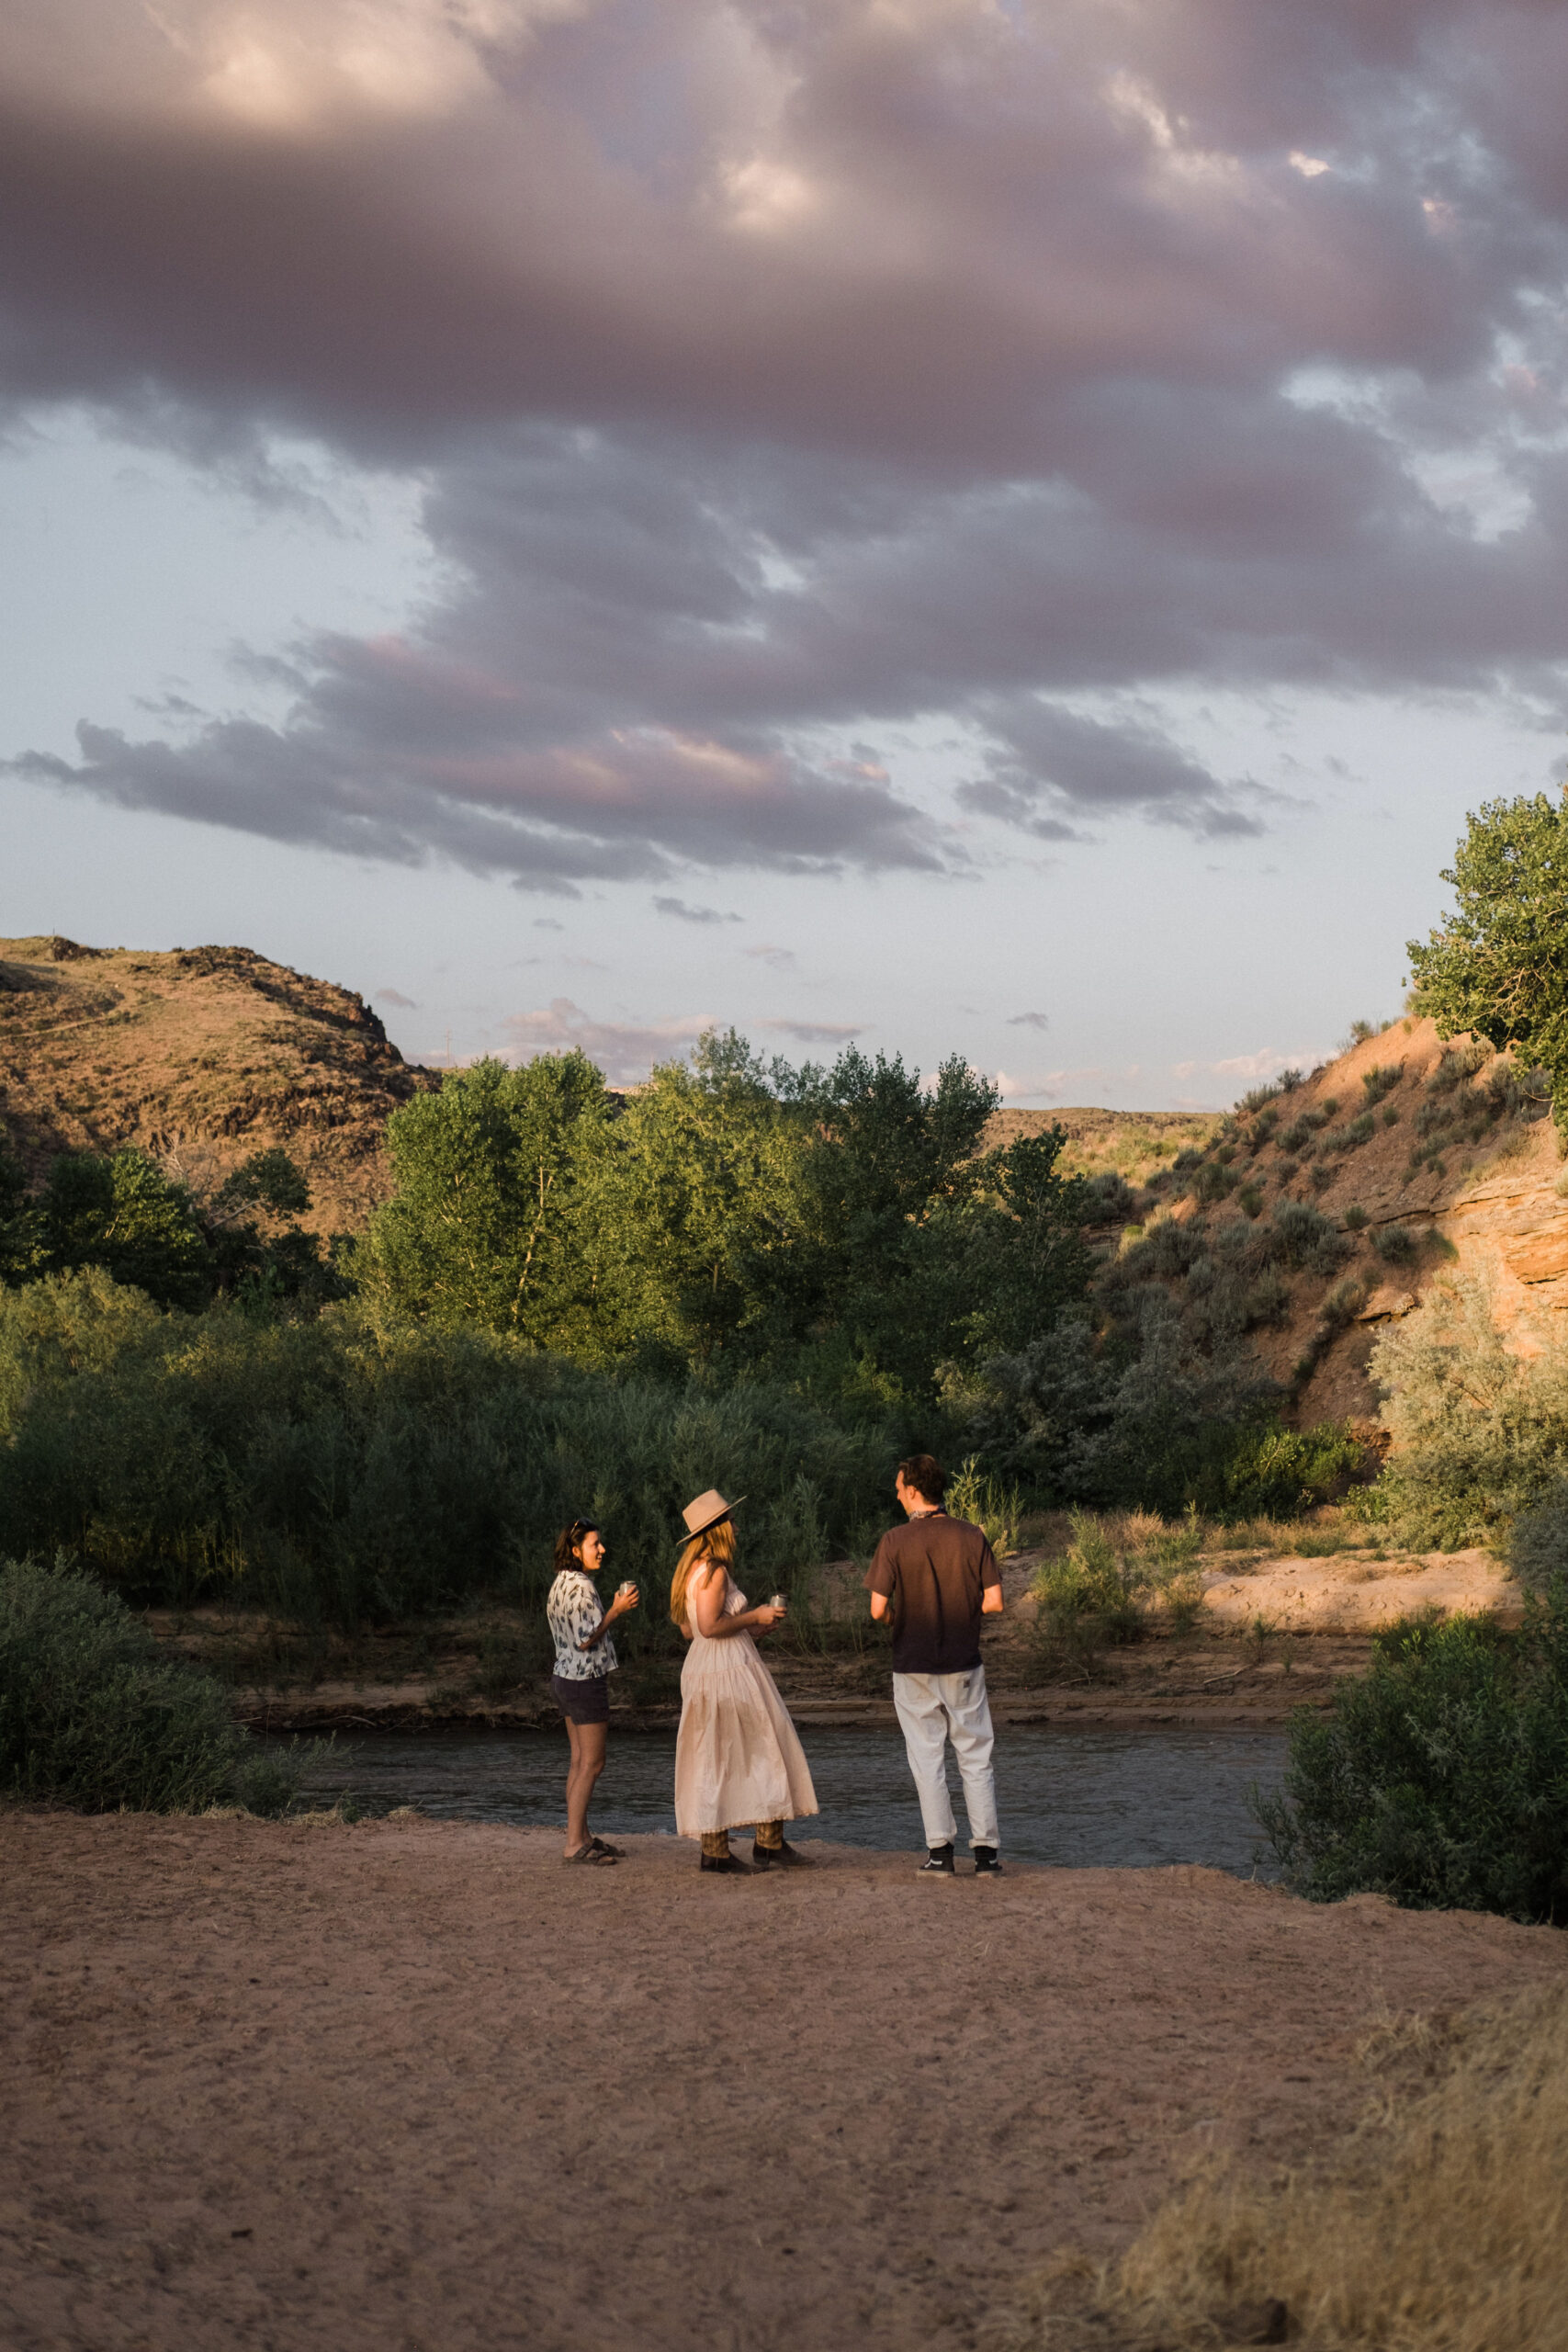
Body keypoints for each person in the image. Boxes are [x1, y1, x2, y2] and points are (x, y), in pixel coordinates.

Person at [864, 1454, 1004, 1875]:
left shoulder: (893, 1541)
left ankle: (940, 1854)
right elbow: (994, 1601)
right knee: (976, 1756)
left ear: (912, 1491)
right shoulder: (971, 1535)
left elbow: (877, 1610)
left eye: (898, 1487)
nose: (896, 1493)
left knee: (927, 1759)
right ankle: (986, 1856)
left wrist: (899, 1619)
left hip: (912, 1665)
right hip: (963, 1663)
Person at [671, 1488, 819, 1874]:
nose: (737, 1526)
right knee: (761, 1746)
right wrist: (753, 1616)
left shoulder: (691, 1571)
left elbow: (690, 1632)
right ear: (717, 1529)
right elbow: (708, 1626)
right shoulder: (715, 1570)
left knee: (721, 1755)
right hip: (727, 1671)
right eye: (731, 1520)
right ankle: (752, 1847)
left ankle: (742, 1846)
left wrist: (756, 1629)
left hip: (712, 1664)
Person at [546, 1517, 639, 1866]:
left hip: (563, 1679)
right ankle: (573, 1844)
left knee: (578, 1762)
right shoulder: (582, 1588)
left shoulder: (560, 1583)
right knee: (594, 1764)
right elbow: (586, 1639)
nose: (601, 1550)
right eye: (593, 1545)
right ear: (575, 1550)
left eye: (600, 1543)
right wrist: (616, 1610)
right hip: (584, 1682)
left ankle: (581, 1836)